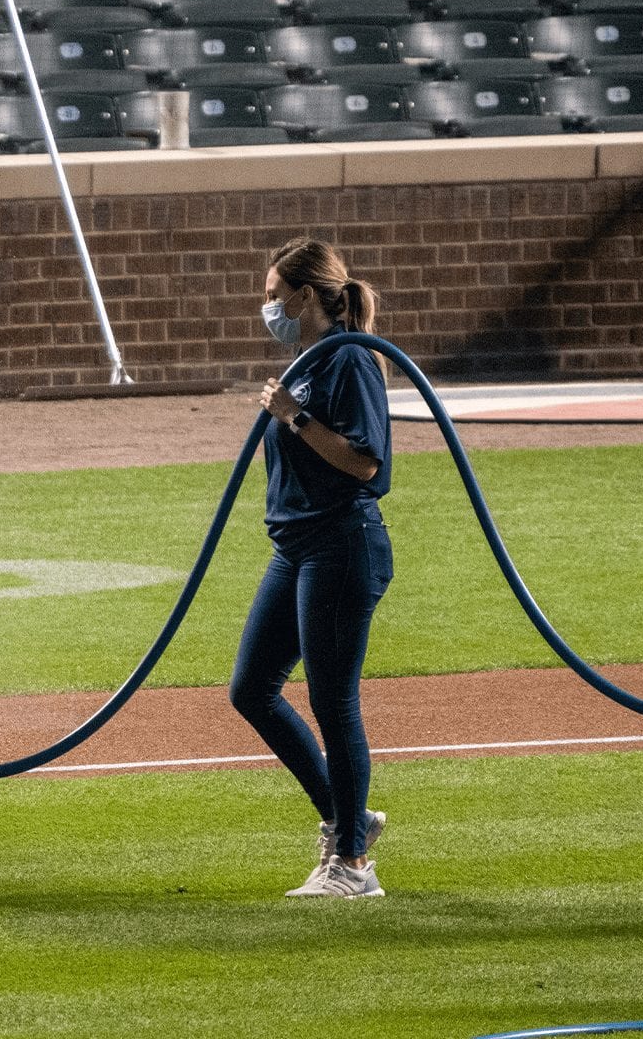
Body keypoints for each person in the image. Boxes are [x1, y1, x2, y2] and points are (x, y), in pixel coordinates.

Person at [232, 236, 395, 899]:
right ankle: (350, 817)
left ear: (304, 296)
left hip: (340, 543)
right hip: (296, 546)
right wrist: (291, 408)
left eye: (274, 295)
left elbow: (365, 461)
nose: (267, 306)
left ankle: (351, 864)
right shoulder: (307, 360)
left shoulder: (348, 358)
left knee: (332, 699)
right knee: (252, 689)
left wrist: (292, 417)